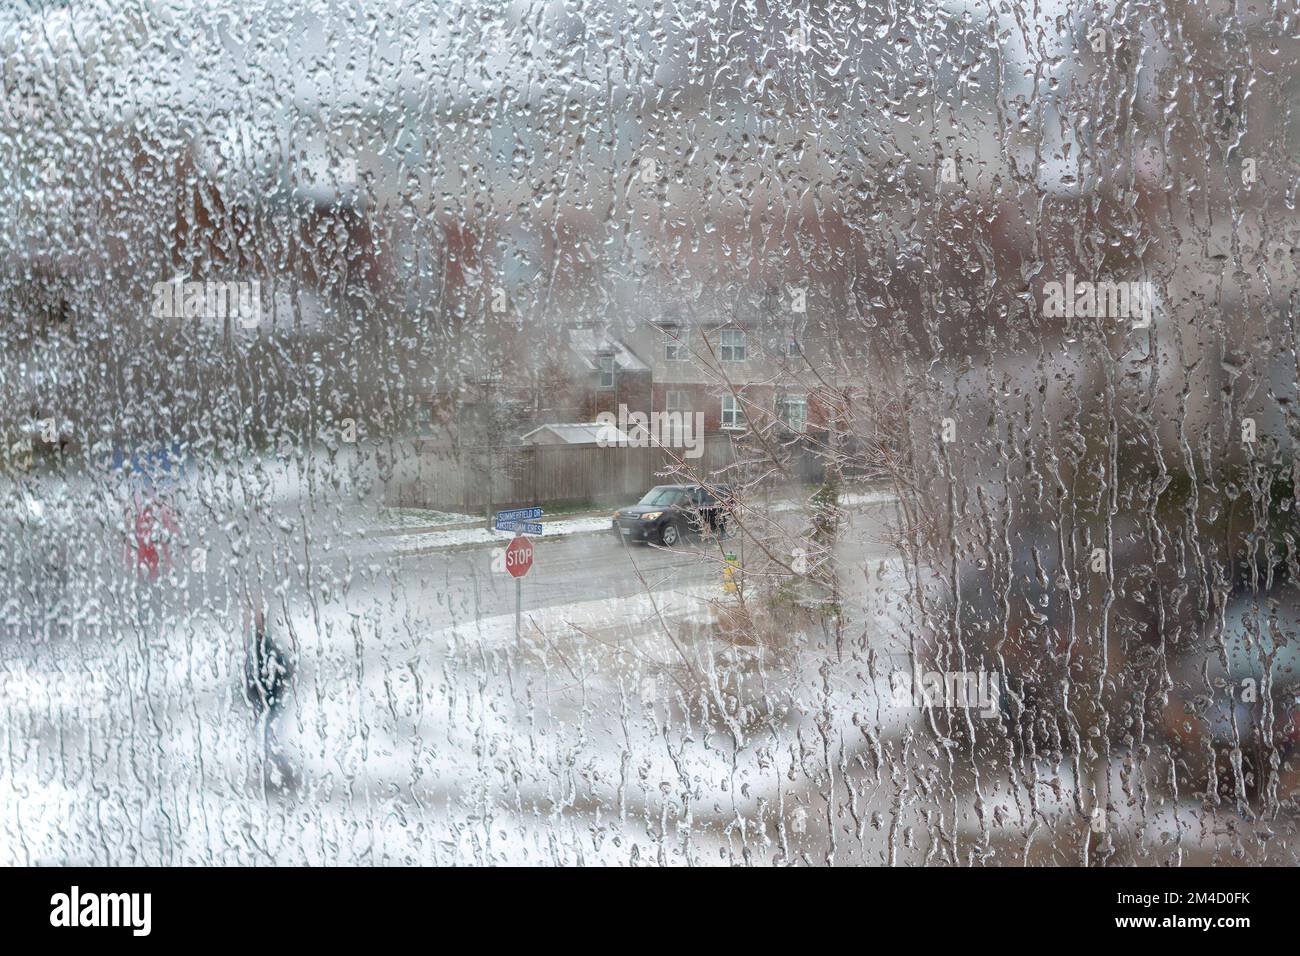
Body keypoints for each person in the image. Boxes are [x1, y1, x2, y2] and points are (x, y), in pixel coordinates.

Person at [244, 601, 295, 794]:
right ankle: (273, 775)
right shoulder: (259, 647)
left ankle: (279, 775)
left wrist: (273, 692)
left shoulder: (266, 646)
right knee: (268, 738)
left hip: (269, 702)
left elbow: (280, 669)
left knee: (270, 738)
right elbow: (249, 674)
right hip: (264, 702)